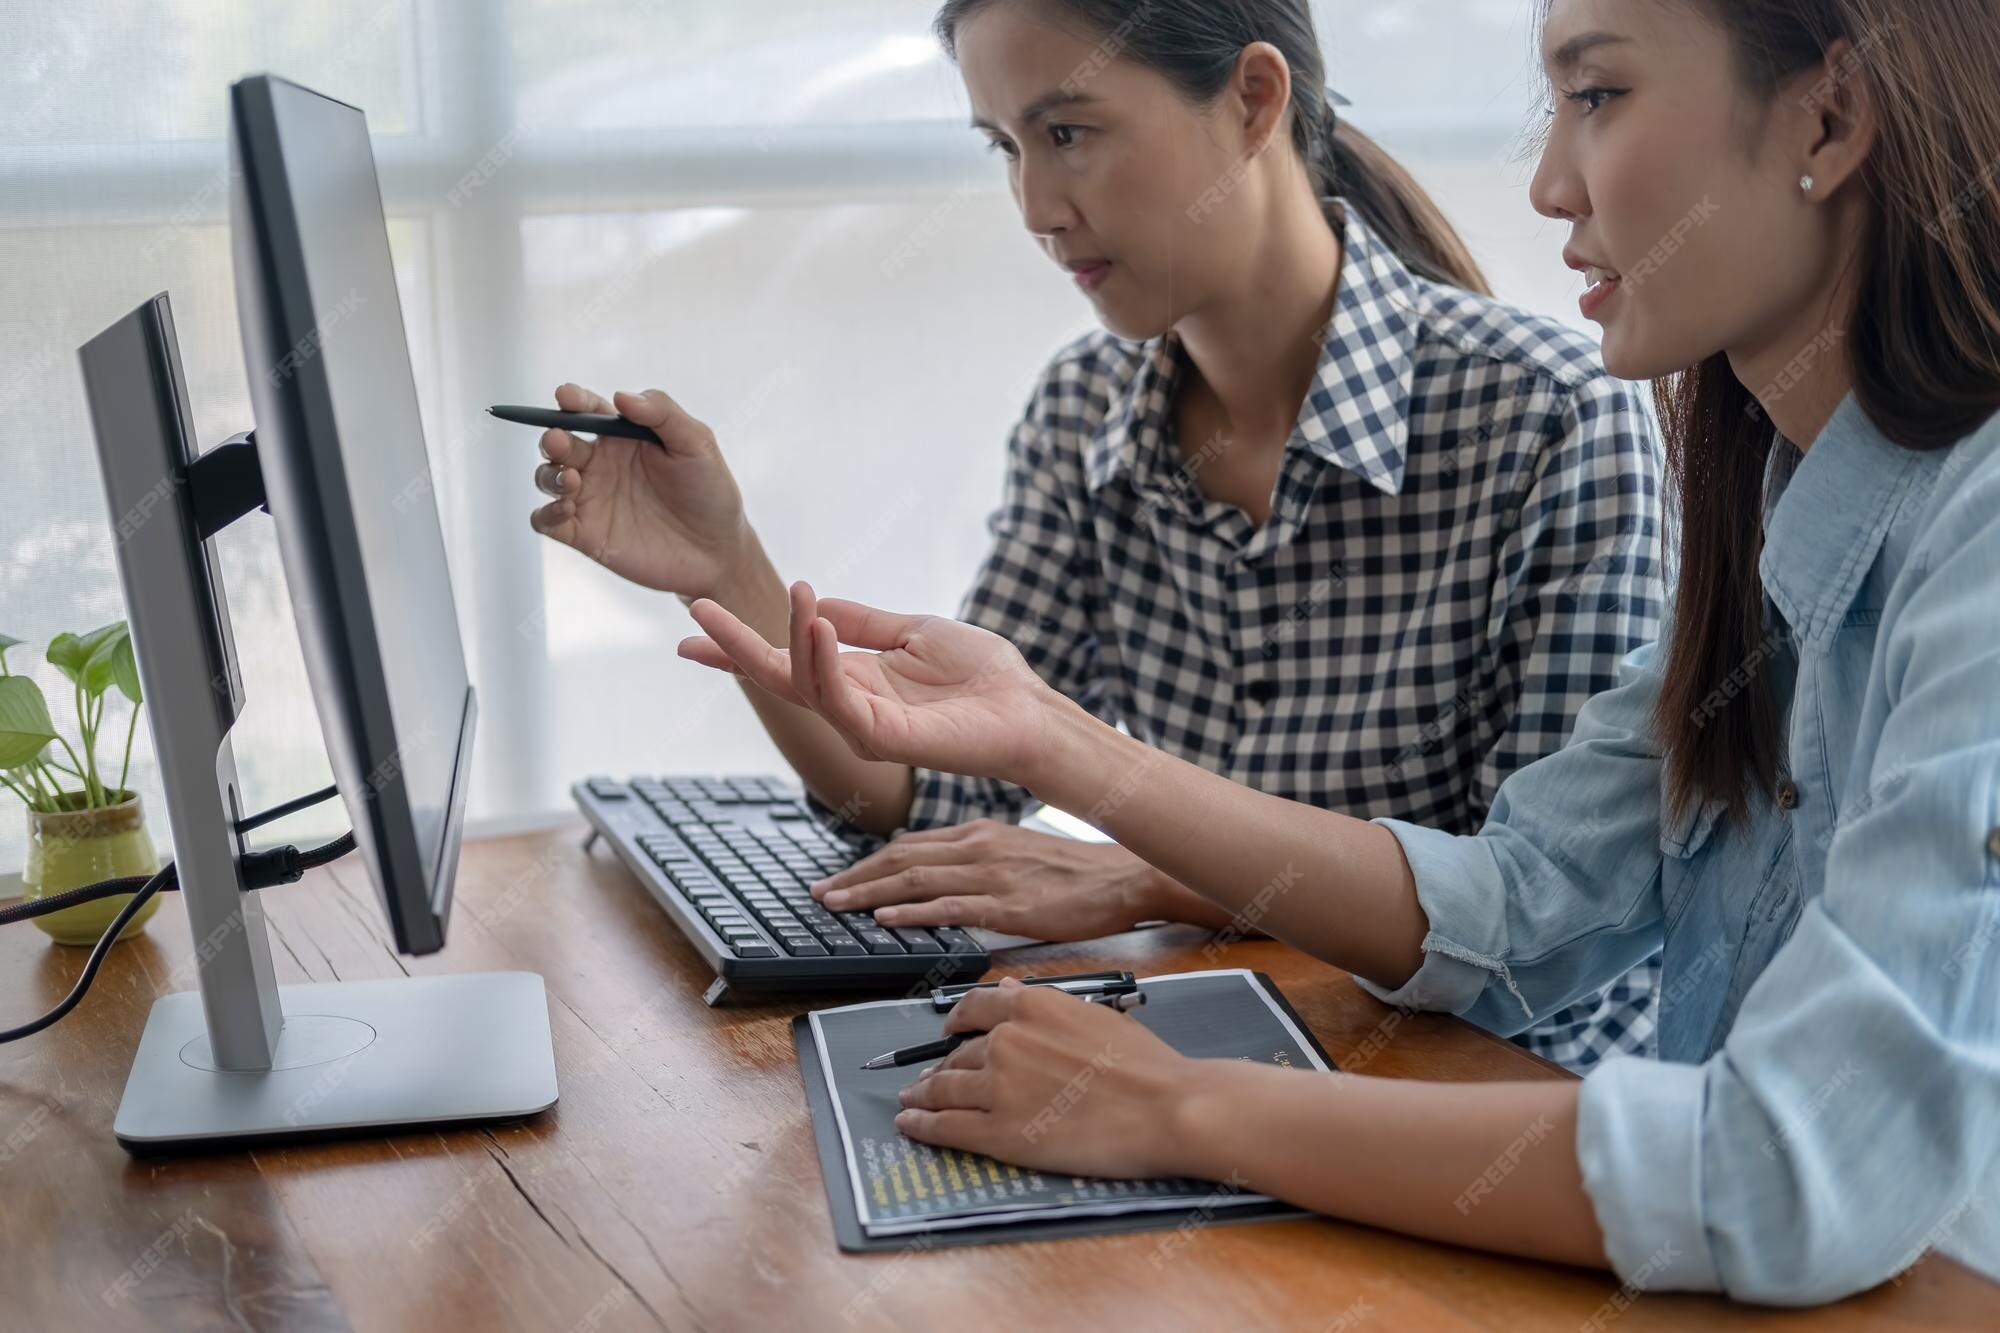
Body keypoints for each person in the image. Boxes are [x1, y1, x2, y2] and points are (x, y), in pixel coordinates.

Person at [676, 0, 2000, 1305]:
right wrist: (1049, 739)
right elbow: (1525, 898)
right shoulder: (1771, 503)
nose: (1546, 185)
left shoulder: (1956, 535)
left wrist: (1182, 1106)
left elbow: (1782, 1164)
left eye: (1597, 95)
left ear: (1828, 117)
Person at [529, 0, 1667, 1072]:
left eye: (1068, 133)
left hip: (1494, 1100)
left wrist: (1151, 876)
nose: (1035, 207)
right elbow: (932, 790)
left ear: (1254, 100)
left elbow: (1529, 917)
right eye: (1005, 148)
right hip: (1241, 1063)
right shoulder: (1083, 410)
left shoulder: (1552, 418)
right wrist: (724, 561)